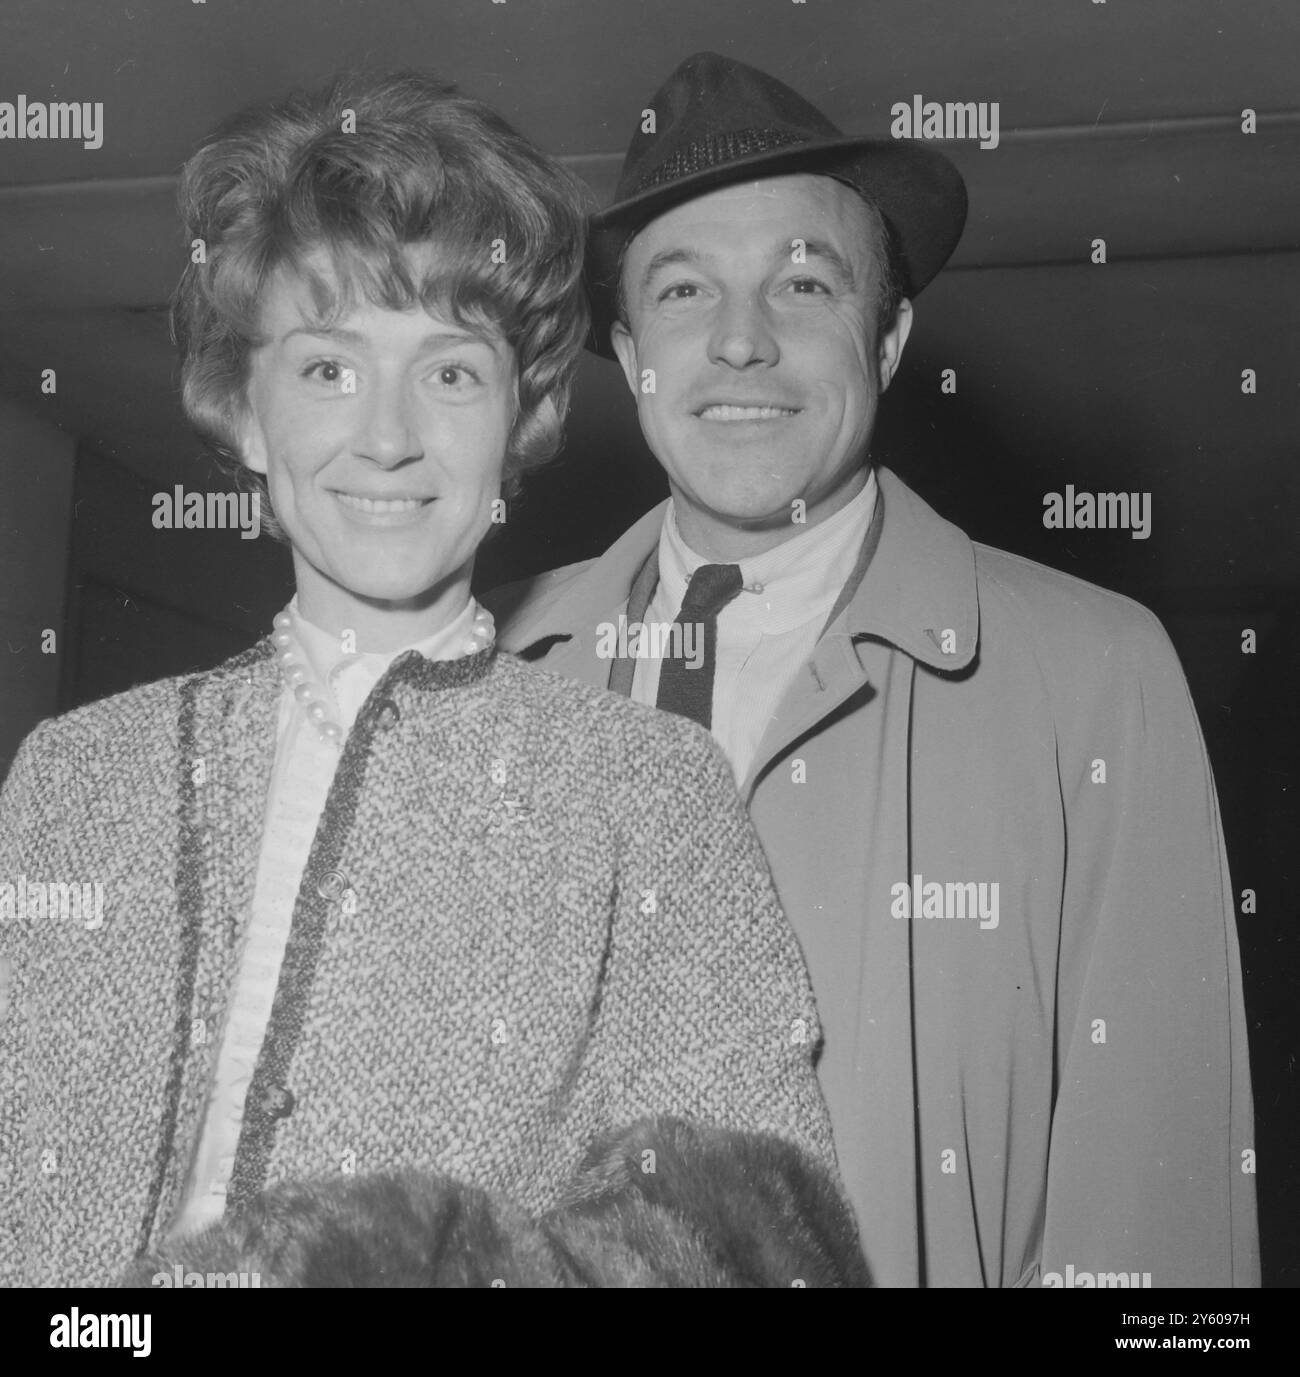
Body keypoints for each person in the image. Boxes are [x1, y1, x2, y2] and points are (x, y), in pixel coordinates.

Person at [0, 70, 867, 1289]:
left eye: (453, 372)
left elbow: (759, 1245)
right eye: (327, 369)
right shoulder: (73, 779)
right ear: (243, 413)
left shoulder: (647, 797)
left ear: (524, 420)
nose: (391, 434)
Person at [489, 52, 1260, 1287]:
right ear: (630, 354)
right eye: (684, 292)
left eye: (803, 281)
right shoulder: (480, 681)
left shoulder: (1094, 677)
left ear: (889, 337)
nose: (740, 341)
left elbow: (1157, 1220)